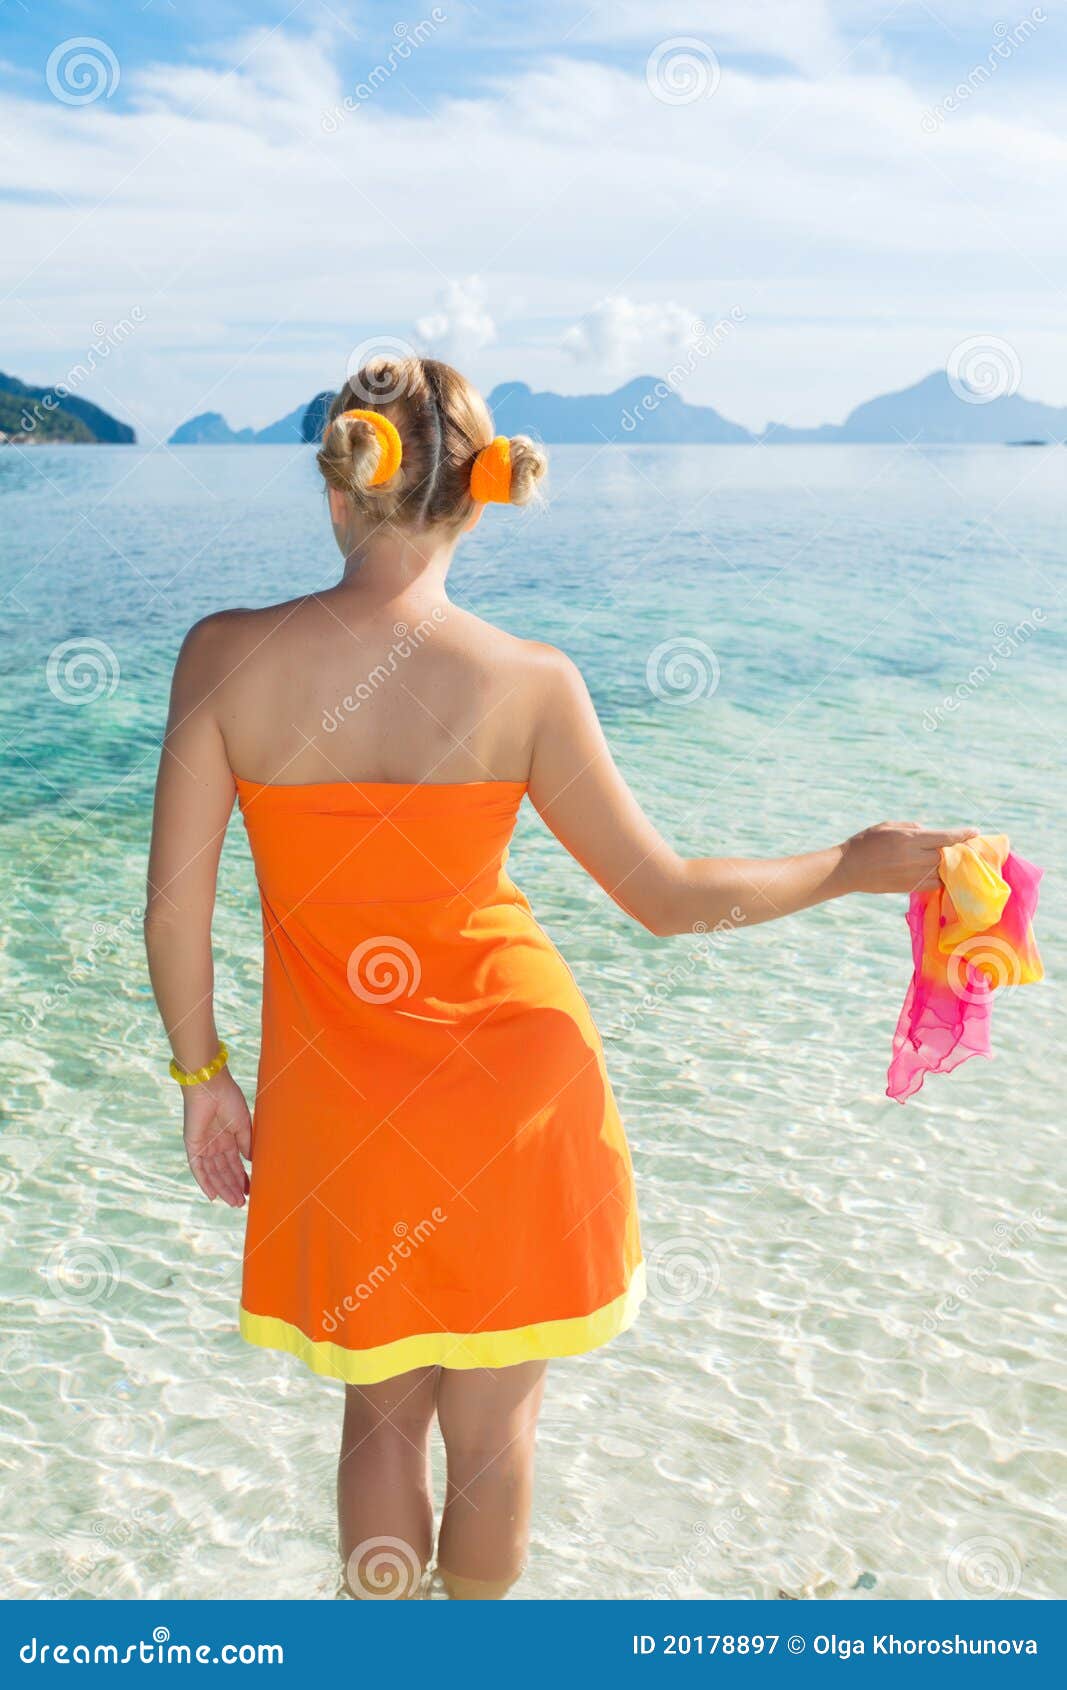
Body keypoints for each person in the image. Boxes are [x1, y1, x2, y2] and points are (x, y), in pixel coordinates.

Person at [144, 355, 973, 1600]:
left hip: (347, 1115)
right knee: (495, 1441)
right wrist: (851, 864)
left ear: (337, 493)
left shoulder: (223, 657)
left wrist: (203, 1074)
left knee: (378, 1422)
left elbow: (174, 907)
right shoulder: (527, 681)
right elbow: (667, 899)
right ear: (474, 502)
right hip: (517, 1095)